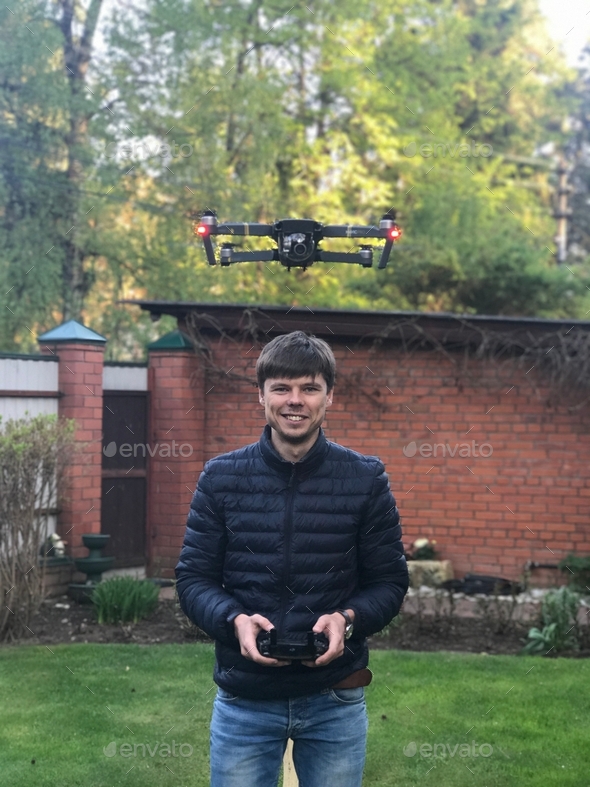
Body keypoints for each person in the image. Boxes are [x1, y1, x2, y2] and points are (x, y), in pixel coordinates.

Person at [175, 330, 409, 787]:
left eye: (309, 388)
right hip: (245, 698)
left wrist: (348, 619)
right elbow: (193, 579)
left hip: (334, 699)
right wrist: (234, 621)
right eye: (281, 388)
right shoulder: (221, 478)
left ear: (329, 396)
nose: (294, 400)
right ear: (261, 395)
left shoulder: (365, 479)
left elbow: (389, 582)